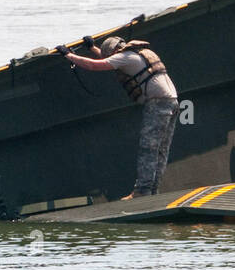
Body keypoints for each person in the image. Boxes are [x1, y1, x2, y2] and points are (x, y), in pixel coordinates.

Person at [60, 35, 179, 200]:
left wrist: (69, 55)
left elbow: (95, 65)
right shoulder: (140, 53)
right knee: (161, 150)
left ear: (115, 51)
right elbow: (111, 59)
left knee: (148, 148)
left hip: (158, 104)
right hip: (172, 102)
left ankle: (142, 191)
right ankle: (152, 190)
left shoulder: (125, 57)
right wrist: (92, 47)